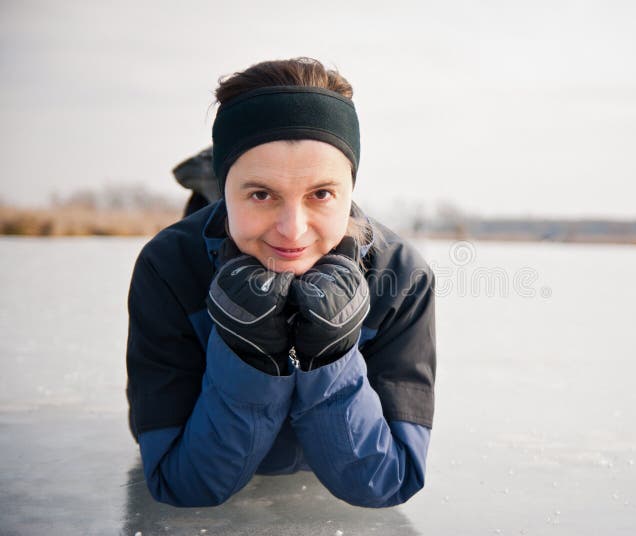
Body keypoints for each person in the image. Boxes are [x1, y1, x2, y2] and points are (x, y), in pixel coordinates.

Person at [125, 58, 436, 508]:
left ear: (351, 190)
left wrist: (330, 355)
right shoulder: (167, 267)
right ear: (229, 185)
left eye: (322, 194)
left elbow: (388, 481)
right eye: (261, 193)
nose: (293, 230)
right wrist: (248, 356)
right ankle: (208, 193)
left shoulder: (403, 277)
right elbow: (180, 482)